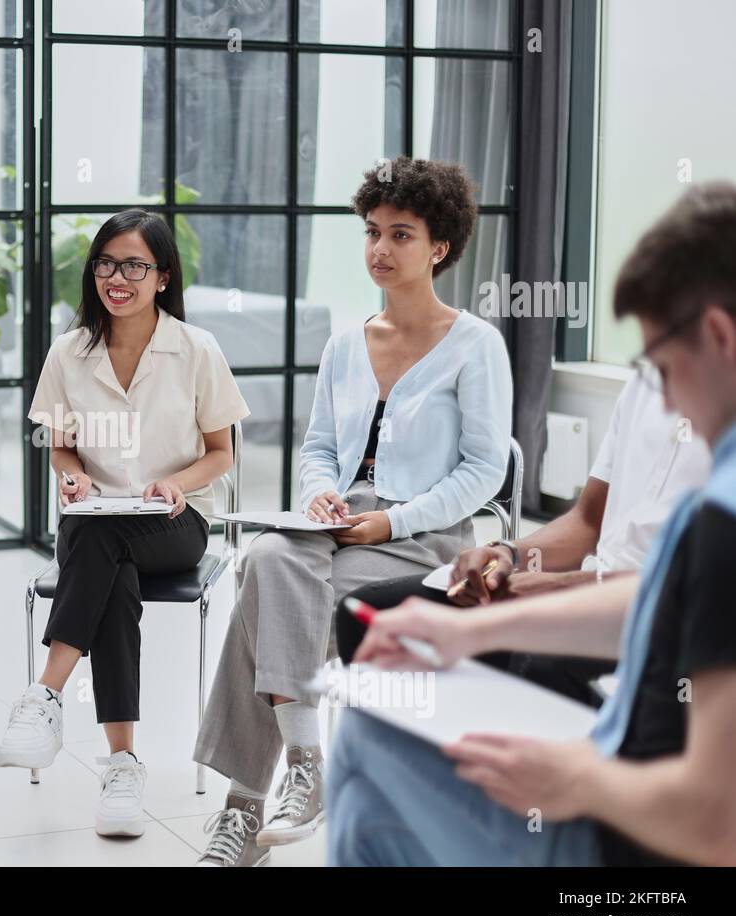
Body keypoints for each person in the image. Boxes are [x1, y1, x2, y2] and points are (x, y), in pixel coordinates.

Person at [331, 180, 736, 867]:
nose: (662, 395)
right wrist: (483, 609)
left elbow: (715, 826)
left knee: (367, 737)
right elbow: (656, 592)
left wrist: (576, 782)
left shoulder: (720, 516)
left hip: (631, 858)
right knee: (370, 798)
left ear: (719, 337)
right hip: (622, 782)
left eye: (663, 366)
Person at [192, 157, 513, 866]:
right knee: (272, 556)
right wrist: (318, 495)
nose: (380, 249)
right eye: (372, 232)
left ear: (440, 247)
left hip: (420, 536)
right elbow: (316, 449)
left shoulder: (476, 346)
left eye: (401, 234)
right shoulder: (345, 345)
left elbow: (484, 470)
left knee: (261, 585)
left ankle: (244, 811)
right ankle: (307, 764)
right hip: (332, 526)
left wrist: (390, 521)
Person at [0, 209, 248, 837]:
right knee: (110, 566)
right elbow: (61, 446)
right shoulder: (69, 352)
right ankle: (122, 765)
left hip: (175, 523)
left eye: (135, 265)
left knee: (99, 543)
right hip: (96, 523)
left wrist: (176, 483)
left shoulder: (196, 350)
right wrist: (72, 475)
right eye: (107, 263)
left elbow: (222, 453)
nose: (118, 277)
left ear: (162, 276)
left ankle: (46, 694)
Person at [335, 369, 711, 705]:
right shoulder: (645, 382)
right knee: (372, 614)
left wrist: (570, 587)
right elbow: (588, 522)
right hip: (592, 591)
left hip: (672, 621)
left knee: (543, 661)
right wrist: (509, 555)